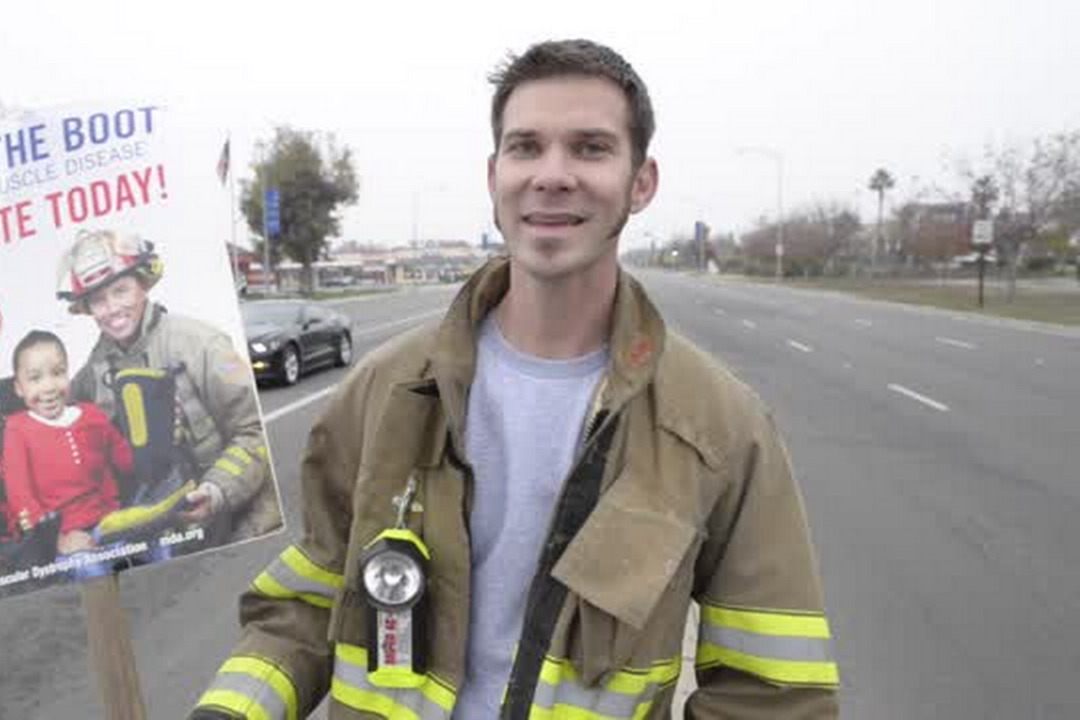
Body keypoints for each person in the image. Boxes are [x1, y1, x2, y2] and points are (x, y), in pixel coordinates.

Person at [190, 39, 839, 719]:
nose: (552, 175)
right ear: (494, 171)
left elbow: (771, 694)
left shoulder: (720, 426)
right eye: (526, 147)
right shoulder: (385, 391)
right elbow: (309, 602)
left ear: (641, 182)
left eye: (590, 148)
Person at [59, 229, 281, 546]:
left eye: (121, 291)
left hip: (237, 524)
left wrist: (216, 492)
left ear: (143, 285)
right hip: (156, 533)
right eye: (98, 300)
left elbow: (255, 430)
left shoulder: (205, 344)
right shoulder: (89, 378)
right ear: (87, 308)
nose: (111, 309)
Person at [2, 329, 132, 556]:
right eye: (35, 378)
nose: (49, 387)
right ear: (19, 388)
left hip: (110, 522)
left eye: (58, 373)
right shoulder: (17, 430)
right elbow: (20, 497)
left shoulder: (92, 415)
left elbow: (128, 462)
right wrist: (58, 541)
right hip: (61, 537)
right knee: (91, 572)